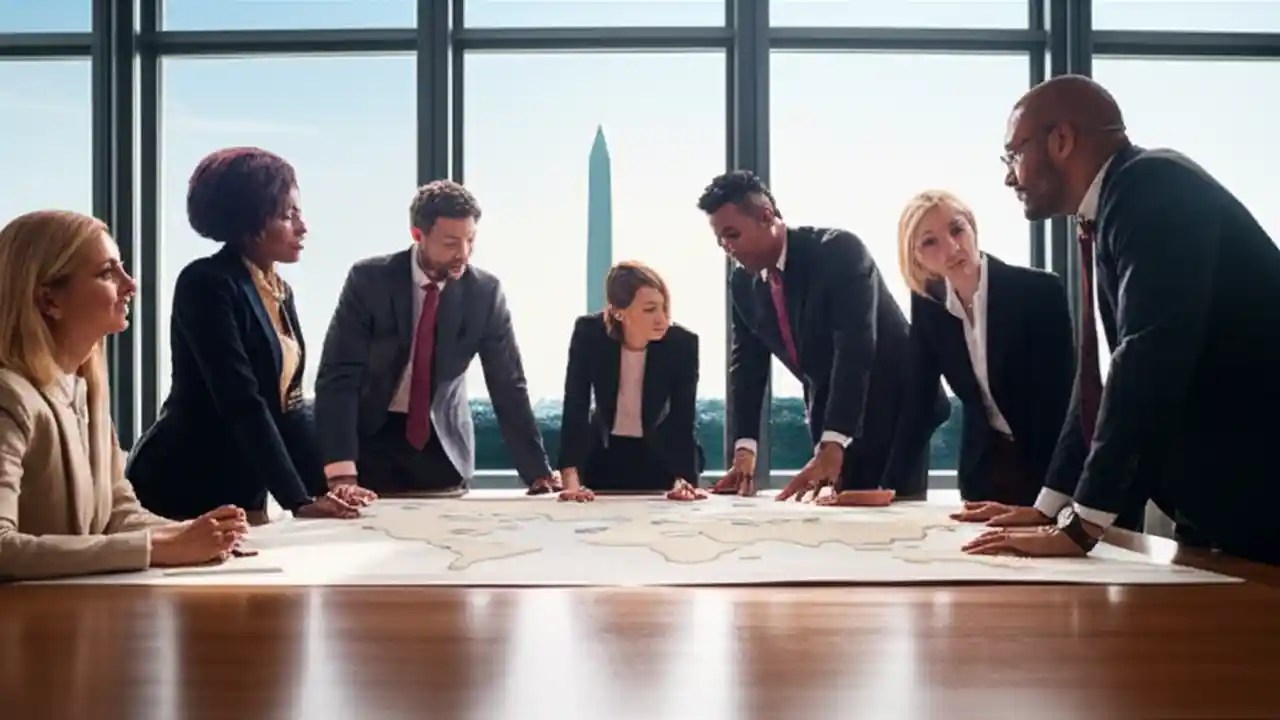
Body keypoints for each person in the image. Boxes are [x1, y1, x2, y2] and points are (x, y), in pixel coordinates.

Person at [963, 74, 1280, 564]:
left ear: (1061, 140)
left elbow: (1149, 353)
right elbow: (1097, 381)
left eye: (1013, 154)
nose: (1010, 175)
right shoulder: (1113, 206)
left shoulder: (1150, 187)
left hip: (1261, 489)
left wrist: (1083, 524)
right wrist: (1052, 505)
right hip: (1227, 499)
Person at [0, 210, 251, 581]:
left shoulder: (84, 391)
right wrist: (158, 548)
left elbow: (119, 513)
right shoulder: (10, 398)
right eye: (106, 273)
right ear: (49, 301)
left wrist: (197, 535)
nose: (130, 284)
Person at [128, 147, 374, 525]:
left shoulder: (279, 290)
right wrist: (297, 500)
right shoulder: (206, 283)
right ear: (250, 221)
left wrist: (322, 491)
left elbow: (288, 406)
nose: (302, 227)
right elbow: (240, 399)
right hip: (183, 483)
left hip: (244, 487)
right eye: (287, 215)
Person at [697, 170, 947, 504]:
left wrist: (833, 444)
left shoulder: (839, 252)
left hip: (899, 408)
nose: (726, 247)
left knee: (889, 526)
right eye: (720, 240)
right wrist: (744, 448)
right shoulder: (743, 284)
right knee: (840, 527)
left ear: (766, 216)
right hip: (833, 409)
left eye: (732, 234)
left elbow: (855, 347)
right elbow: (746, 367)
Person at [314, 180, 560, 496]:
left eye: (470, 240)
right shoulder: (369, 280)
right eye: (450, 243)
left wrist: (538, 472)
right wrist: (340, 474)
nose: (464, 254)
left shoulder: (484, 293)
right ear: (419, 235)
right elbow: (339, 375)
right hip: (369, 440)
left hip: (442, 445)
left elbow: (508, 384)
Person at [885, 190, 1074, 508]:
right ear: (915, 256)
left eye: (957, 229)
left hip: (1052, 469)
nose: (952, 247)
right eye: (930, 242)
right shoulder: (929, 304)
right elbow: (919, 401)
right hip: (985, 472)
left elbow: (1064, 405)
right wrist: (889, 490)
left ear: (972, 227)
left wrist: (1055, 497)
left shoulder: (1039, 293)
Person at [557, 261, 705, 502]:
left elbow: (683, 418)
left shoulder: (682, 344)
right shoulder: (590, 334)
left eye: (663, 308)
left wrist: (685, 481)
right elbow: (576, 404)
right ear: (618, 312)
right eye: (649, 310)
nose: (661, 319)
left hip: (660, 459)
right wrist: (571, 481)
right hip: (602, 458)